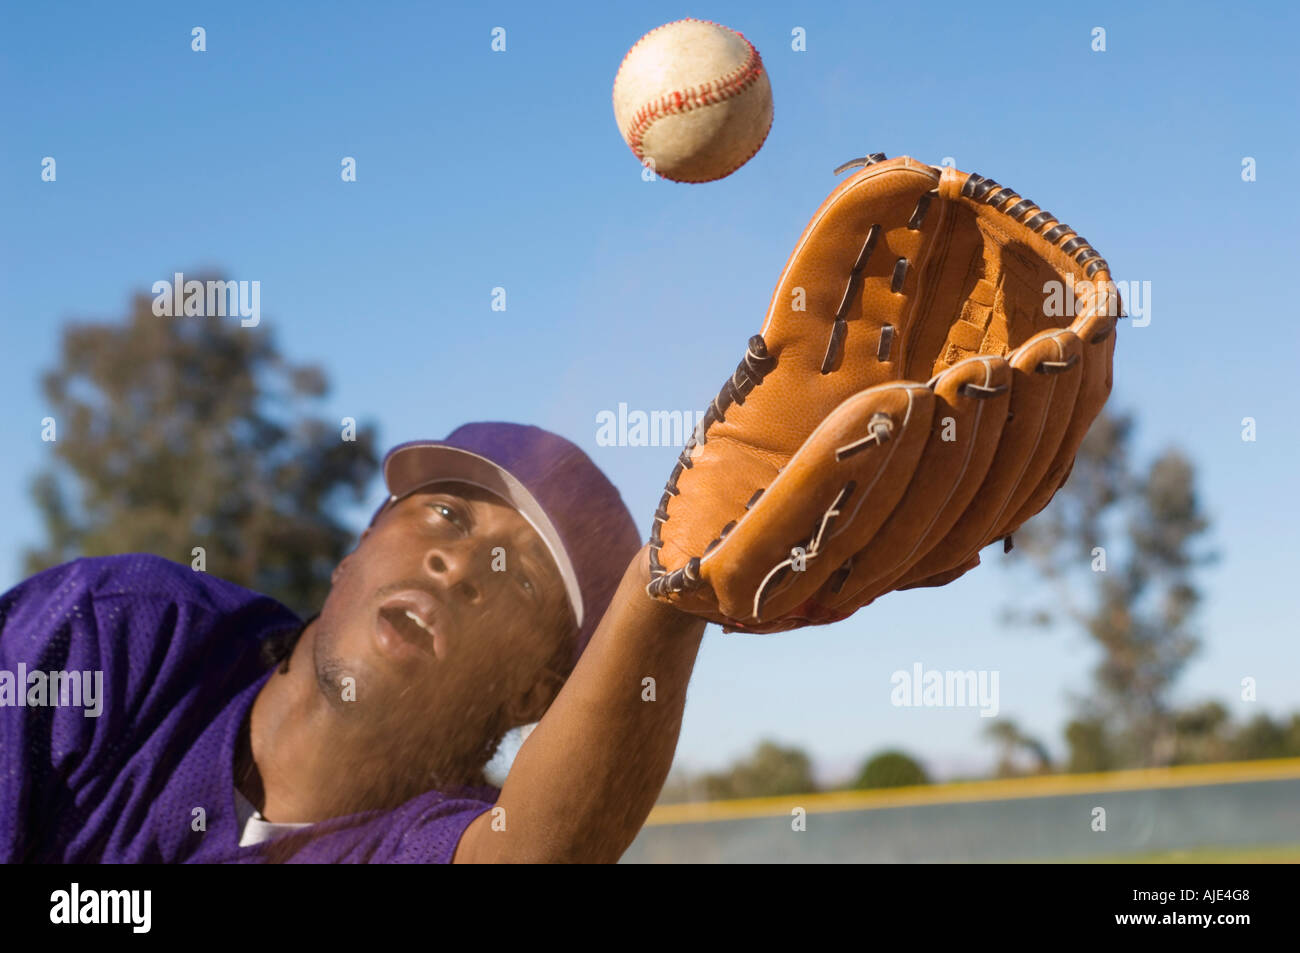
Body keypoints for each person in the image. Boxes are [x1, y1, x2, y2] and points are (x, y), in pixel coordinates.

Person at [0, 422, 707, 863]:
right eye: (446, 514)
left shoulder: (420, 837)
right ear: (359, 546)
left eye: (521, 581)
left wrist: (674, 594)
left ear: (533, 694)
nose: (459, 566)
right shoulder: (124, 631)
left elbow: (534, 854)